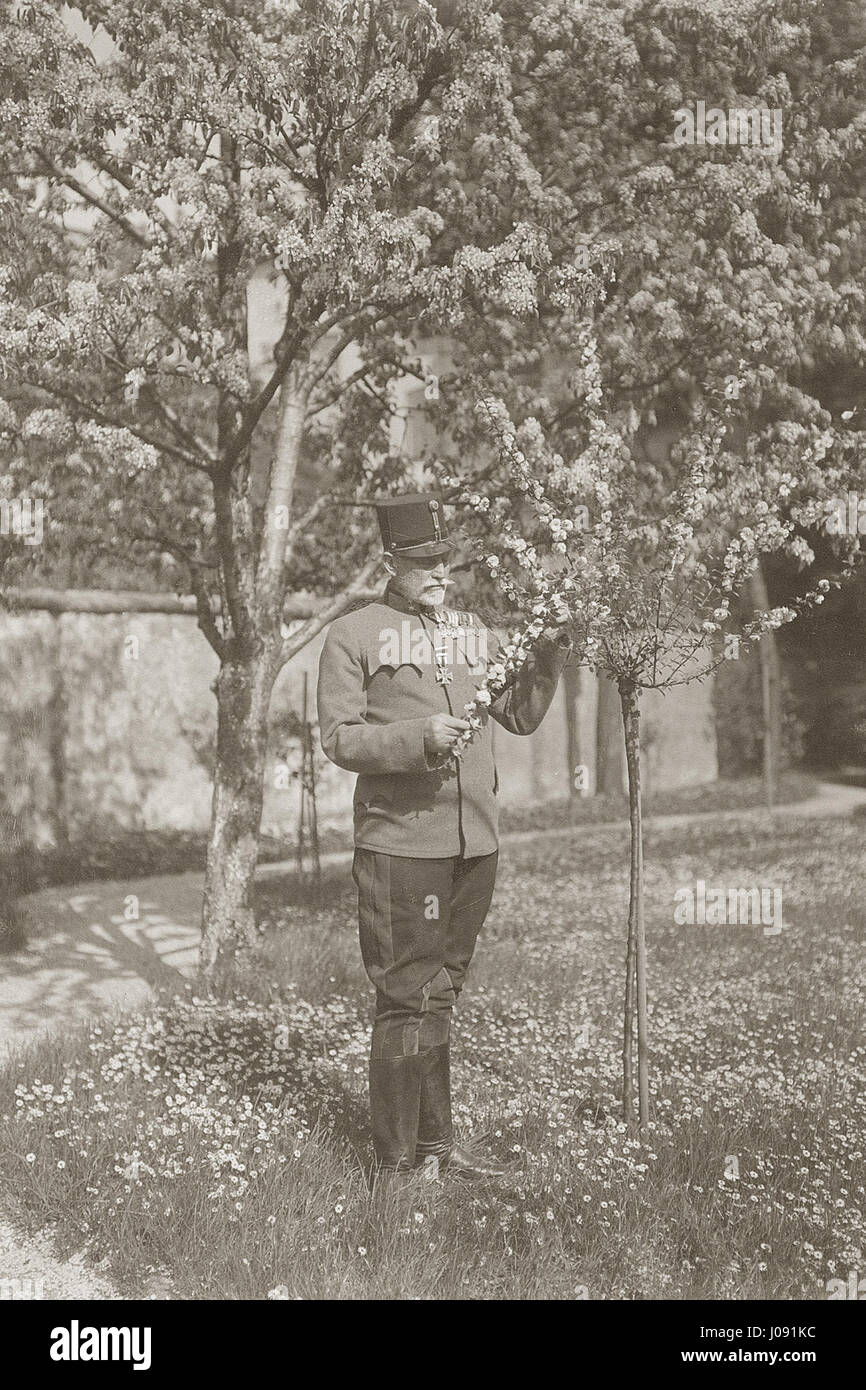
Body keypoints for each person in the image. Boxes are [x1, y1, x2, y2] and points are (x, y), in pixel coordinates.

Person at [317, 493, 572, 1185]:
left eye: (444, 561)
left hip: (473, 844)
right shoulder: (354, 633)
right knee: (406, 994)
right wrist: (415, 739)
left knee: (442, 994)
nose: (439, 573)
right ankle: (397, 1169)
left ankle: (437, 1152)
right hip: (401, 845)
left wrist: (548, 650)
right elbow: (339, 738)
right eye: (423, 562)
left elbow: (516, 714)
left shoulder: (472, 630)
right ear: (388, 561)